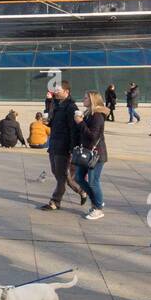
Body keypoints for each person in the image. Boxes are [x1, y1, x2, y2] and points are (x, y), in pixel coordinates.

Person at [40, 81, 85, 211]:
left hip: (64, 146)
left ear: (66, 92)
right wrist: (47, 122)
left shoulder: (71, 107)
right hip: (53, 144)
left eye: (58, 90)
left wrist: (72, 148)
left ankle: (55, 201)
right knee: (58, 173)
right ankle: (81, 191)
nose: (56, 92)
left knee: (61, 176)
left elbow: (74, 129)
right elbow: (53, 124)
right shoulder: (56, 104)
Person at [73, 91, 110, 220]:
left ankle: (98, 208)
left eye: (85, 98)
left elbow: (93, 136)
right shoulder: (89, 114)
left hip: (96, 154)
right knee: (78, 177)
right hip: (86, 153)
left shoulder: (97, 116)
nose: (83, 100)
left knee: (94, 181)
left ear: (93, 100)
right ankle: (96, 201)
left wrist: (81, 123)